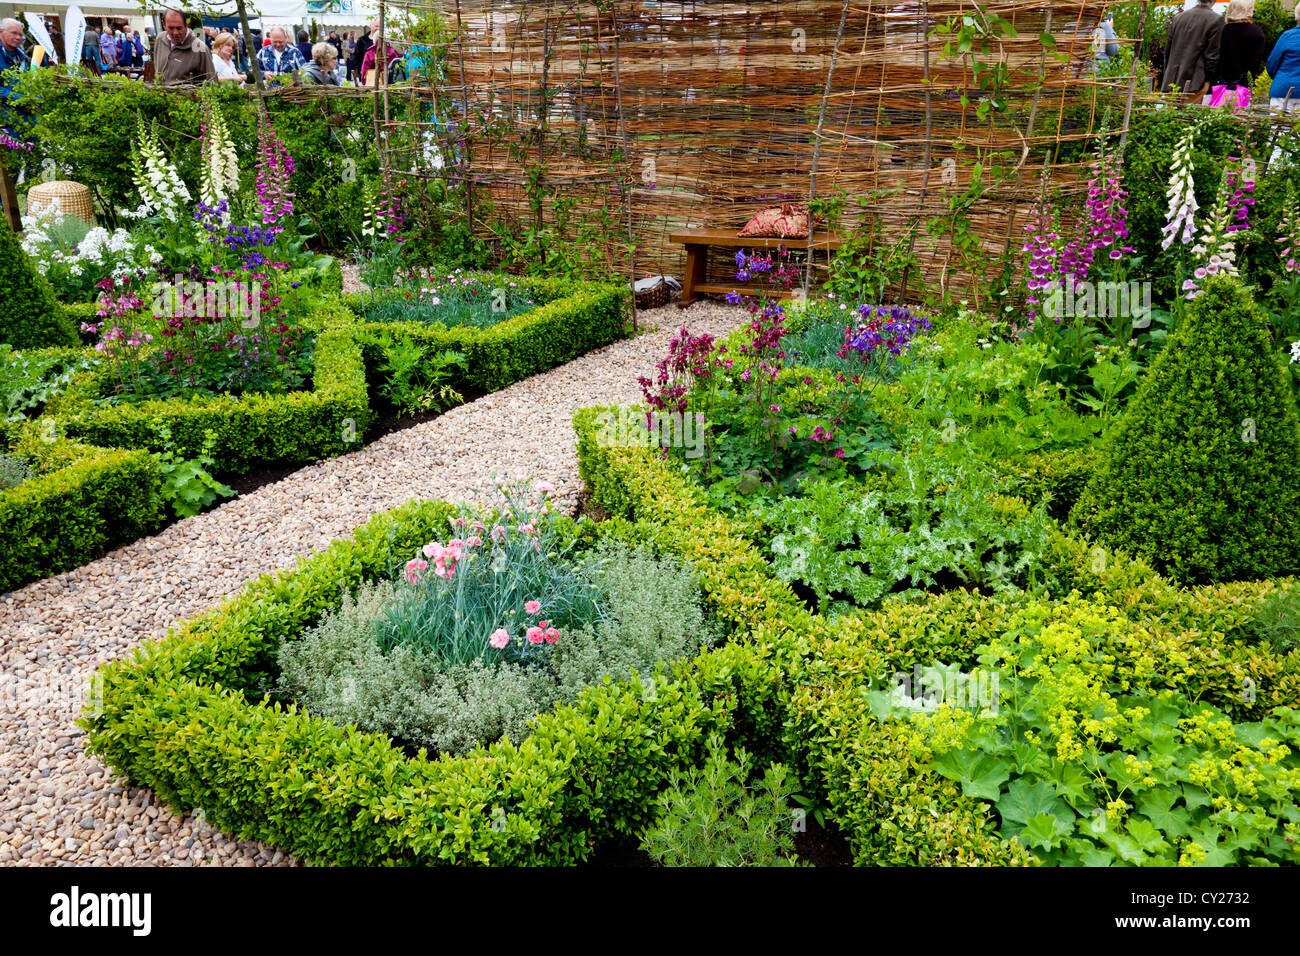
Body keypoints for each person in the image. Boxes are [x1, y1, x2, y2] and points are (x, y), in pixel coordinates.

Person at [1161, 0, 1222, 99]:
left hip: (1171, 80)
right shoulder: (1216, 19)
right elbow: (1212, 54)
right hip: (1195, 82)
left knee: (1171, 113)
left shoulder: (1179, 17)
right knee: (1189, 113)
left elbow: (1168, 51)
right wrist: (1208, 81)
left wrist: (1167, 75)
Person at [155, 8, 216, 84]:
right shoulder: (160, 39)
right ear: (163, 24)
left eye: (179, 28)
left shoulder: (199, 48)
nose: (175, 33)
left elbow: (212, 81)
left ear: (187, 24)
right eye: (171, 28)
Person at [1217, 1, 1267, 90]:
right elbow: (1256, 61)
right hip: (1244, 84)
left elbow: (1218, 56)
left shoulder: (1224, 30)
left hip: (1223, 82)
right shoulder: (1256, 31)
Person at [1267, 5, 1300, 110]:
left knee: (1278, 125)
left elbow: (1272, 64)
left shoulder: (1288, 36)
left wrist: (1282, 78)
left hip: (1283, 88)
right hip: (1285, 89)